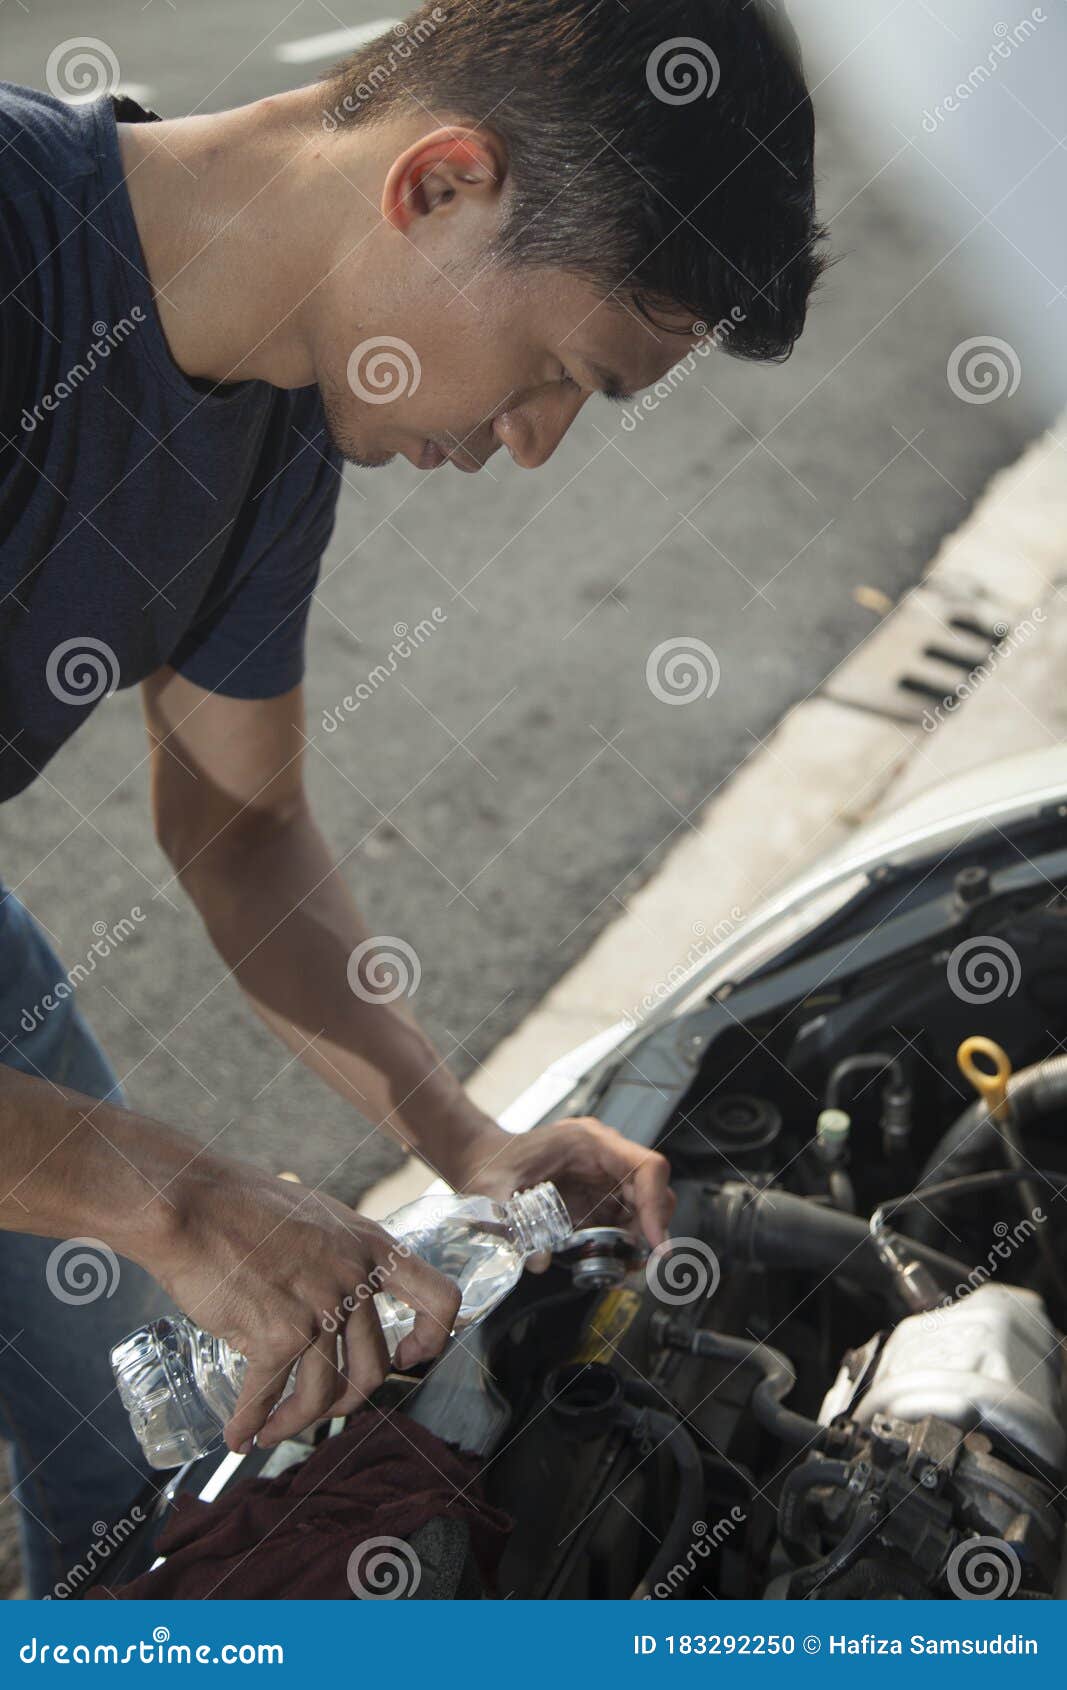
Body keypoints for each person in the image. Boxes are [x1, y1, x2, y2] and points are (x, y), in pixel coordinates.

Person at [0, 0, 823, 1595]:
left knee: (139, 1497)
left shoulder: (275, 435)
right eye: (560, 372)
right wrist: (176, 1192)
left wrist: (465, 1136)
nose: (531, 444)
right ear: (441, 182)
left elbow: (238, 828)